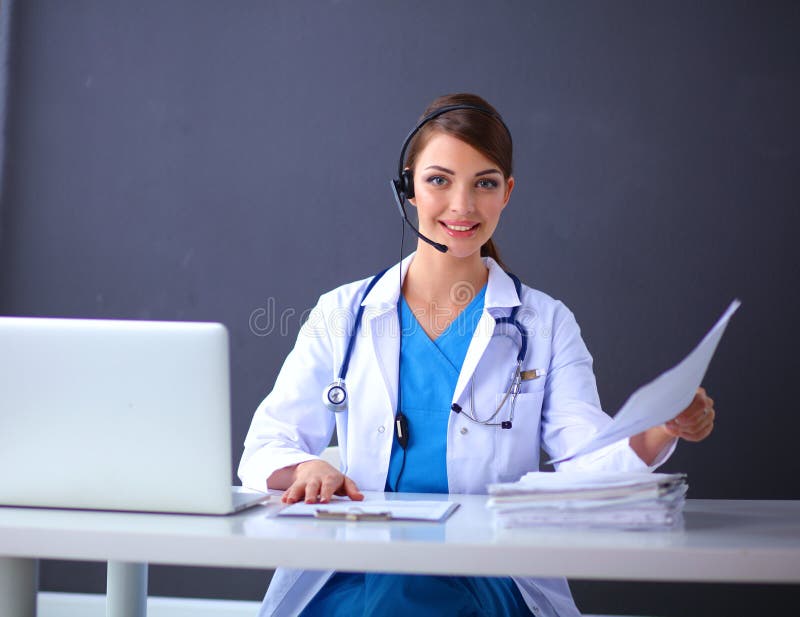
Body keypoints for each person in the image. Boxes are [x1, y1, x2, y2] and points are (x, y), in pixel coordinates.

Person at [238, 93, 716, 617]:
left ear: (507, 193)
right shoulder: (343, 312)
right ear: (408, 189)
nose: (462, 206)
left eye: (484, 183)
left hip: (488, 570)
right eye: (439, 180)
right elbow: (266, 445)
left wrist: (660, 429)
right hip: (357, 567)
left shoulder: (545, 324)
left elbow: (585, 460)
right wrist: (306, 466)